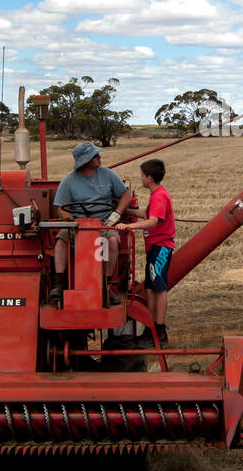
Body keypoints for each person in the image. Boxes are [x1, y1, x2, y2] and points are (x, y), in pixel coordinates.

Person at [51, 141, 132, 304]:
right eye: (95, 155)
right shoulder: (69, 181)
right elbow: (60, 209)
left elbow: (125, 195)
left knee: (113, 242)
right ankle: (59, 283)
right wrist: (72, 221)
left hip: (103, 223)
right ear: (86, 160)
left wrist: (116, 214)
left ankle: (106, 284)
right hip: (77, 226)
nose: (99, 157)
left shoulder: (107, 175)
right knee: (61, 240)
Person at [116, 158, 174, 346]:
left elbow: (153, 221)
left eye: (142, 175)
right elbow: (147, 214)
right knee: (150, 288)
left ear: (149, 178)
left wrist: (127, 226)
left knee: (159, 288)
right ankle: (151, 330)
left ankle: (159, 330)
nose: (140, 178)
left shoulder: (159, 196)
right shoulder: (156, 195)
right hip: (154, 247)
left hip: (161, 246)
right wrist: (127, 212)